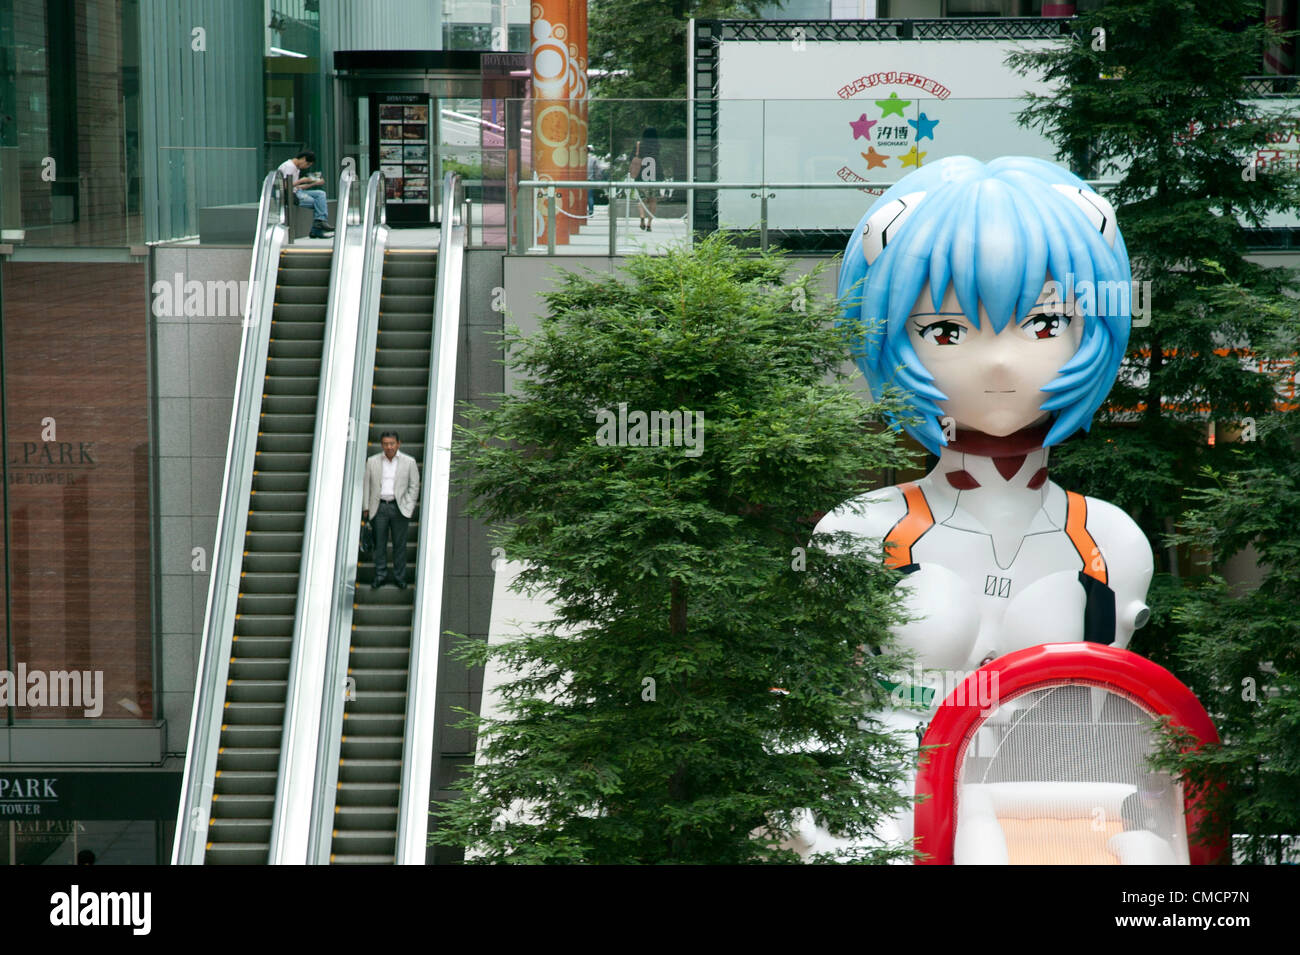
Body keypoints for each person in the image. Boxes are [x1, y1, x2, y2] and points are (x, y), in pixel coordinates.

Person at [788, 156, 1153, 858]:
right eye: (947, 330)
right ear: (887, 335)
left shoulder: (1112, 541)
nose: (999, 361)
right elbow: (816, 707)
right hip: (887, 822)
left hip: (1056, 828)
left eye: (1044, 322)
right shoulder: (855, 532)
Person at [363, 431, 420, 589]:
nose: (389, 447)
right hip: (379, 506)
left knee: (399, 545)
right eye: (386, 444)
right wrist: (366, 507)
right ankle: (380, 575)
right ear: (382, 445)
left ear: (398, 444)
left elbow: (414, 485)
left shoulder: (409, 462)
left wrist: (408, 506)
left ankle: (399, 576)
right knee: (379, 544)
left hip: (399, 507)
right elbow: (366, 484)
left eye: (392, 443)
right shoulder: (372, 461)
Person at [276, 149, 334, 239]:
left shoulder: (296, 168)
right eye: (307, 164)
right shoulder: (289, 166)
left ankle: (319, 223)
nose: (306, 167)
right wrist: (302, 180)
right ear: (303, 159)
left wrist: (314, 183)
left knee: (320, 194)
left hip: (296, 191)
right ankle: (317, 228)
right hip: (288, 194)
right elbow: (285, 186)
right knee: (318, 203)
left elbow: (296, 187)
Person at [631, 128, 661, 232]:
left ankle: (642, 216)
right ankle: (649, 223)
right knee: (653, 200)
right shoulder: (657, 146)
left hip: (641, 177)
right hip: (654, 177)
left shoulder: (639, 145)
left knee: (641, 199)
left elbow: (632, 158)